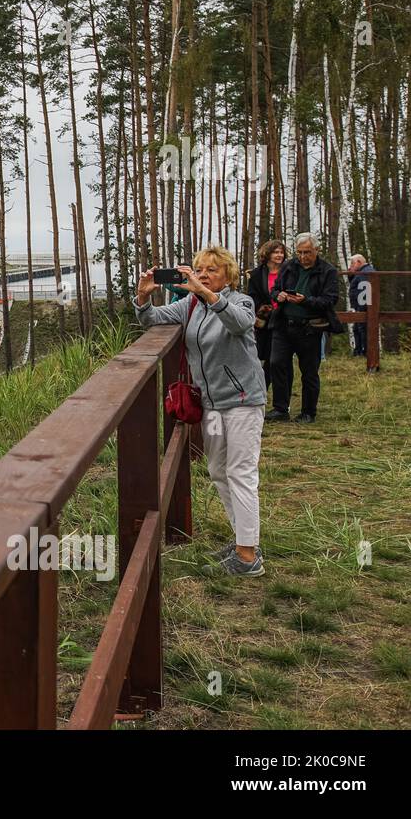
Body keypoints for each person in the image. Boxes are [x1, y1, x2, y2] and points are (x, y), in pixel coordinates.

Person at [135, 245, 267, 577]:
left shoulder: (240, 301)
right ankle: (244, 541)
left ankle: (248, 557)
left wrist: (206, 293)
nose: (204, 274)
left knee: (240, 472)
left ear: (229, 275)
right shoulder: (190, 305)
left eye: (212, 270)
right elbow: (153, 320)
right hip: (211, 405)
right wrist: (142, 298)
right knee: (219, 470)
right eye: (200, 269)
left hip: (242, 402)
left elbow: (239, 324)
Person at [267, 233, 345, 423]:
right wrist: (279, 295)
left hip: (310, 328)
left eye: (307, 252)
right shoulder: (288, 266)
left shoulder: (327, 271)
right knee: (277, 363)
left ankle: (308, 412)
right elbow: (275, 289)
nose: (303, 257)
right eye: (300, 252)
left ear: (316, 250)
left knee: (309, 371)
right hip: (284, 324)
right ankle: (280, 408)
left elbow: (330, 300)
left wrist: (306, 301)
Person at [246, 239, 287, 387]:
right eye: (276, 252)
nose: (279, 255)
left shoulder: (288, 271)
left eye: (281, 252)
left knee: (278, 360)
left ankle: (276, 394)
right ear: (267, 254)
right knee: (263, 357)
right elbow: (251, 295)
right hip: (265, 321)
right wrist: (262, 307)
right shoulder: (257, 274)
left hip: (284, 319)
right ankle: (259, 389)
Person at [346, 254, 376, 357]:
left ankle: (365, 352)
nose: (350, 267)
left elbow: (365, 290)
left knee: (362, 328)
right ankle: (359, 351)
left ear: (359, 262)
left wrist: (361, 309)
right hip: (362, 306)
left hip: (363, 307)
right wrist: (351, 275)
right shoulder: (364, 272)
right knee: (358, 328)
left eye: (352, 264)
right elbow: (357, 285)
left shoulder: (365, 272)